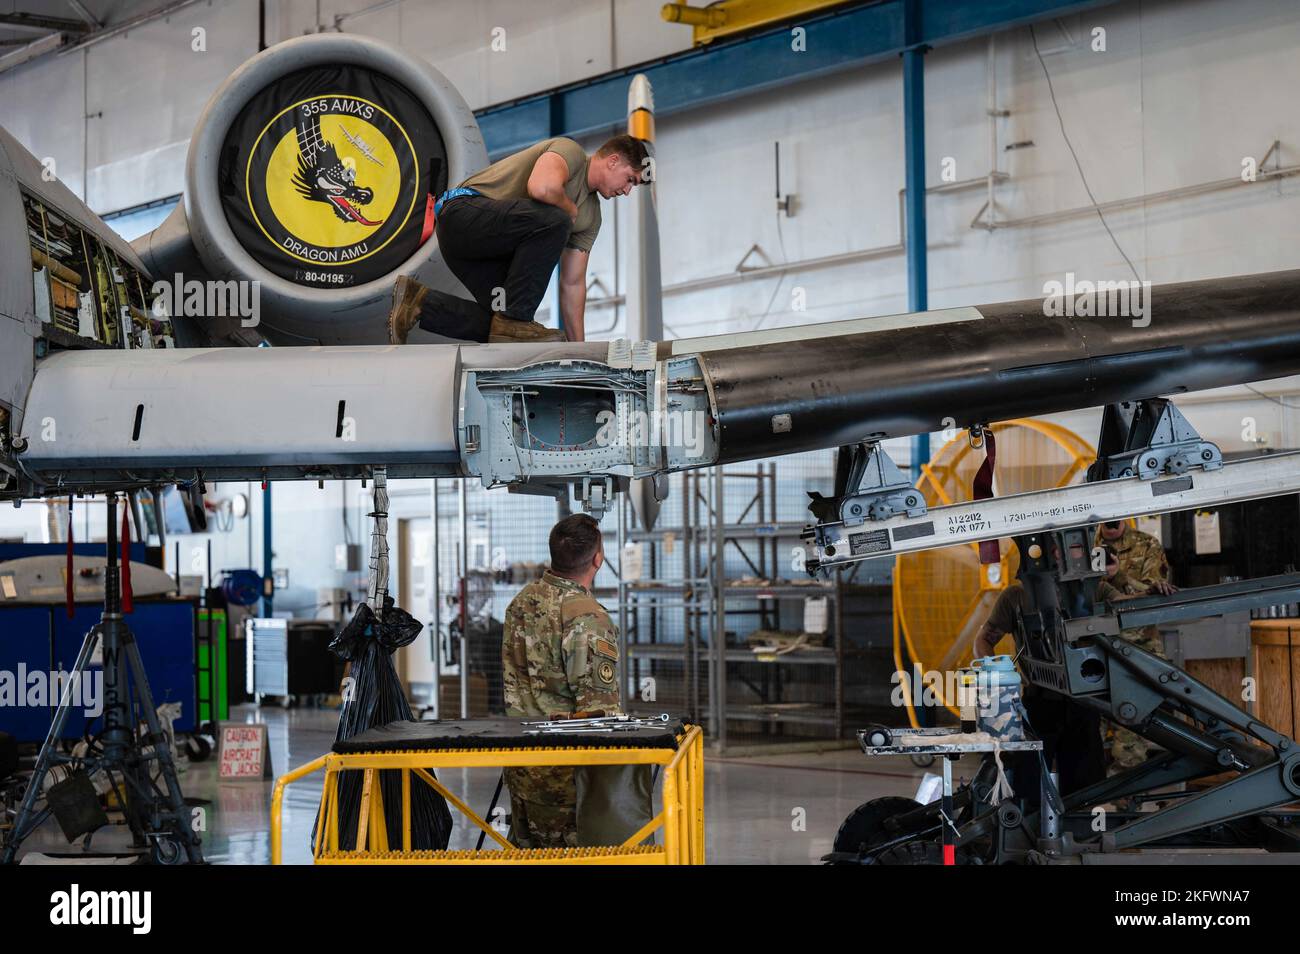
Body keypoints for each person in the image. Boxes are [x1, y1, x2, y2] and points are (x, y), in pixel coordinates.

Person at [388, 134, 649, 345]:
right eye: (630, 180)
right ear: (613, 161)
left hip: (483, 253)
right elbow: (542, 188)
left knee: (503, 328)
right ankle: (517, 321)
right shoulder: (570, 152)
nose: (626, 192)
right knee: (556, 219)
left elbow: (572, 284)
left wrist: (578, 350)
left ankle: (418, 302)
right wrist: (569, 209)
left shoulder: (592, 218)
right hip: (463, 218)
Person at [971, 542, 1177, 802]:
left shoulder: (1096, 589)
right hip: (1038, 704)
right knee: (1027, 786)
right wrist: (998, 675)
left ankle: (1082, 835)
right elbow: (984, 638)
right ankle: (1026, 836)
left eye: (1066, 546)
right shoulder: (1016, 597)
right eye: (1051, 547)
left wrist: (1150, 592)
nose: (1058, 554)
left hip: (1085, 703)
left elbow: (1124, 605)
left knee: (1086, 790)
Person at [500, 513, 622, 847]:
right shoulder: (586, 615)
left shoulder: (522, 601)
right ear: (598, 559)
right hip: (566, 778)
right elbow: (599, 711)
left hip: (522, 767)